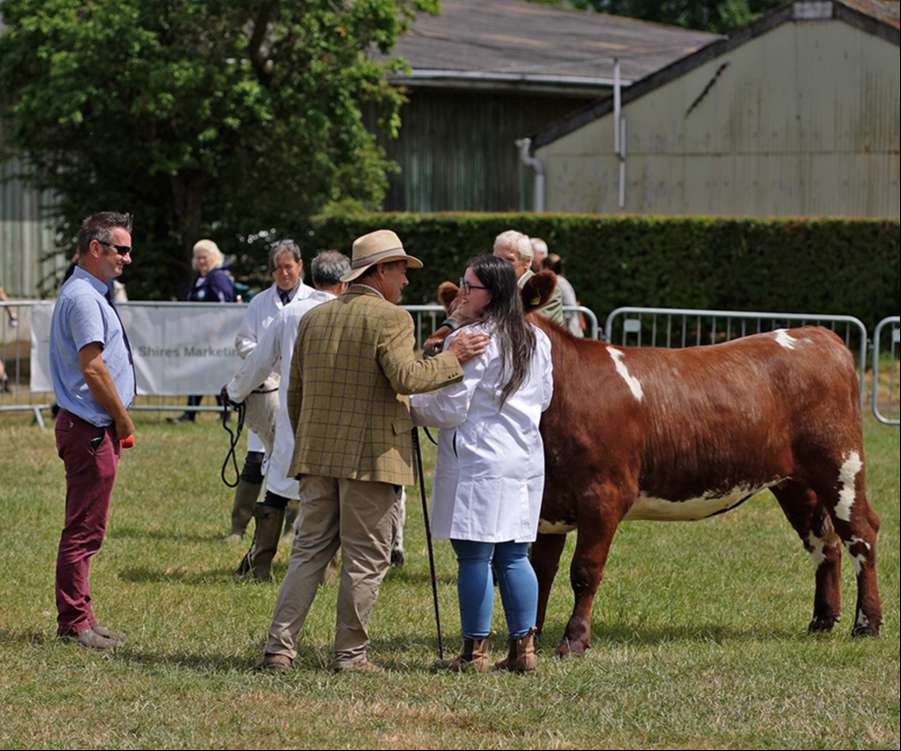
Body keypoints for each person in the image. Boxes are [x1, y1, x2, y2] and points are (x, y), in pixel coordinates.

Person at [256, 228, 489, 673]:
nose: (406, 281)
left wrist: (308, 441)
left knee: (308, 552)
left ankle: (279, 649)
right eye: (401, 269)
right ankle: (350, 655)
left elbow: (295, 392)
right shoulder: (392, 318)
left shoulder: (313, 317)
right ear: (380, 270)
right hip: (373, 458)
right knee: (365, 559)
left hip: (318, 455)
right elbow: (406, 378)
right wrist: (454, 357)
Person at [410, 255, 553, 673]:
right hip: (523, 454)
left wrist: (412, 408)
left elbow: (452, 406)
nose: (462, 292)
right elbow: (543, 398)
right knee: (514, 553)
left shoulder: (475, 338)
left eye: (469, 286)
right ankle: (524, 649)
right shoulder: (536, 338)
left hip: (479, 457)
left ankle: (474, 653)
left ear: (491, 294)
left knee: (474, 555)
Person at [227, 250, 349, 580]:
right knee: (329, 497)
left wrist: (235, 392)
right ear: (344, 281)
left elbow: (260, 361)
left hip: (293, 416)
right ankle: (326, 570)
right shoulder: (349, 312)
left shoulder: (290, 313)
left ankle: (260, 565)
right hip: (337, 420)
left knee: (277, 491)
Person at [49, 211, 136, 650]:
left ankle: (82, 616)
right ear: (96, 248)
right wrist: (122, 418)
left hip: (89, 428)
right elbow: (93, 367)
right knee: (83, 529)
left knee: (88, 527)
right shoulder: (84, 298)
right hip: (91, 428)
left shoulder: (87, 293)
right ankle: (74, 622)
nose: (127, 257)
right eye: (120, 249)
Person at [222, 240, 314, 544]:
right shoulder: (260, 302)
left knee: (296, 462)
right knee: (255, 461)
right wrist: (267, 353)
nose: (284, 273)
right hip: (266, 391)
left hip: (300, 392)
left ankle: (291, 528)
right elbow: (243, 342)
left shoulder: (315, 300)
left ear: (300, 266)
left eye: (289, 266)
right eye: (278, 268)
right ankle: (239, 526)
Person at [168, 239, 236, 423]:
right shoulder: (200, 279)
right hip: (199, 336)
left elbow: (225, 306)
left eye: (204, 257)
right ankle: (193, 413)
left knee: (215, 375)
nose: (200, 261)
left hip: (215, 338)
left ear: (213, 257)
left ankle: (223, 413)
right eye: (197, 258)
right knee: (200, 374)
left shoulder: (218, 277)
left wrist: (216, 331)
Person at [543, 252, 585, 338]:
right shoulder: (559, 281)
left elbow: (570, 305)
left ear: (546, 268)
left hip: (570, 331)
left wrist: (562, 325)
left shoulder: (558, 282)